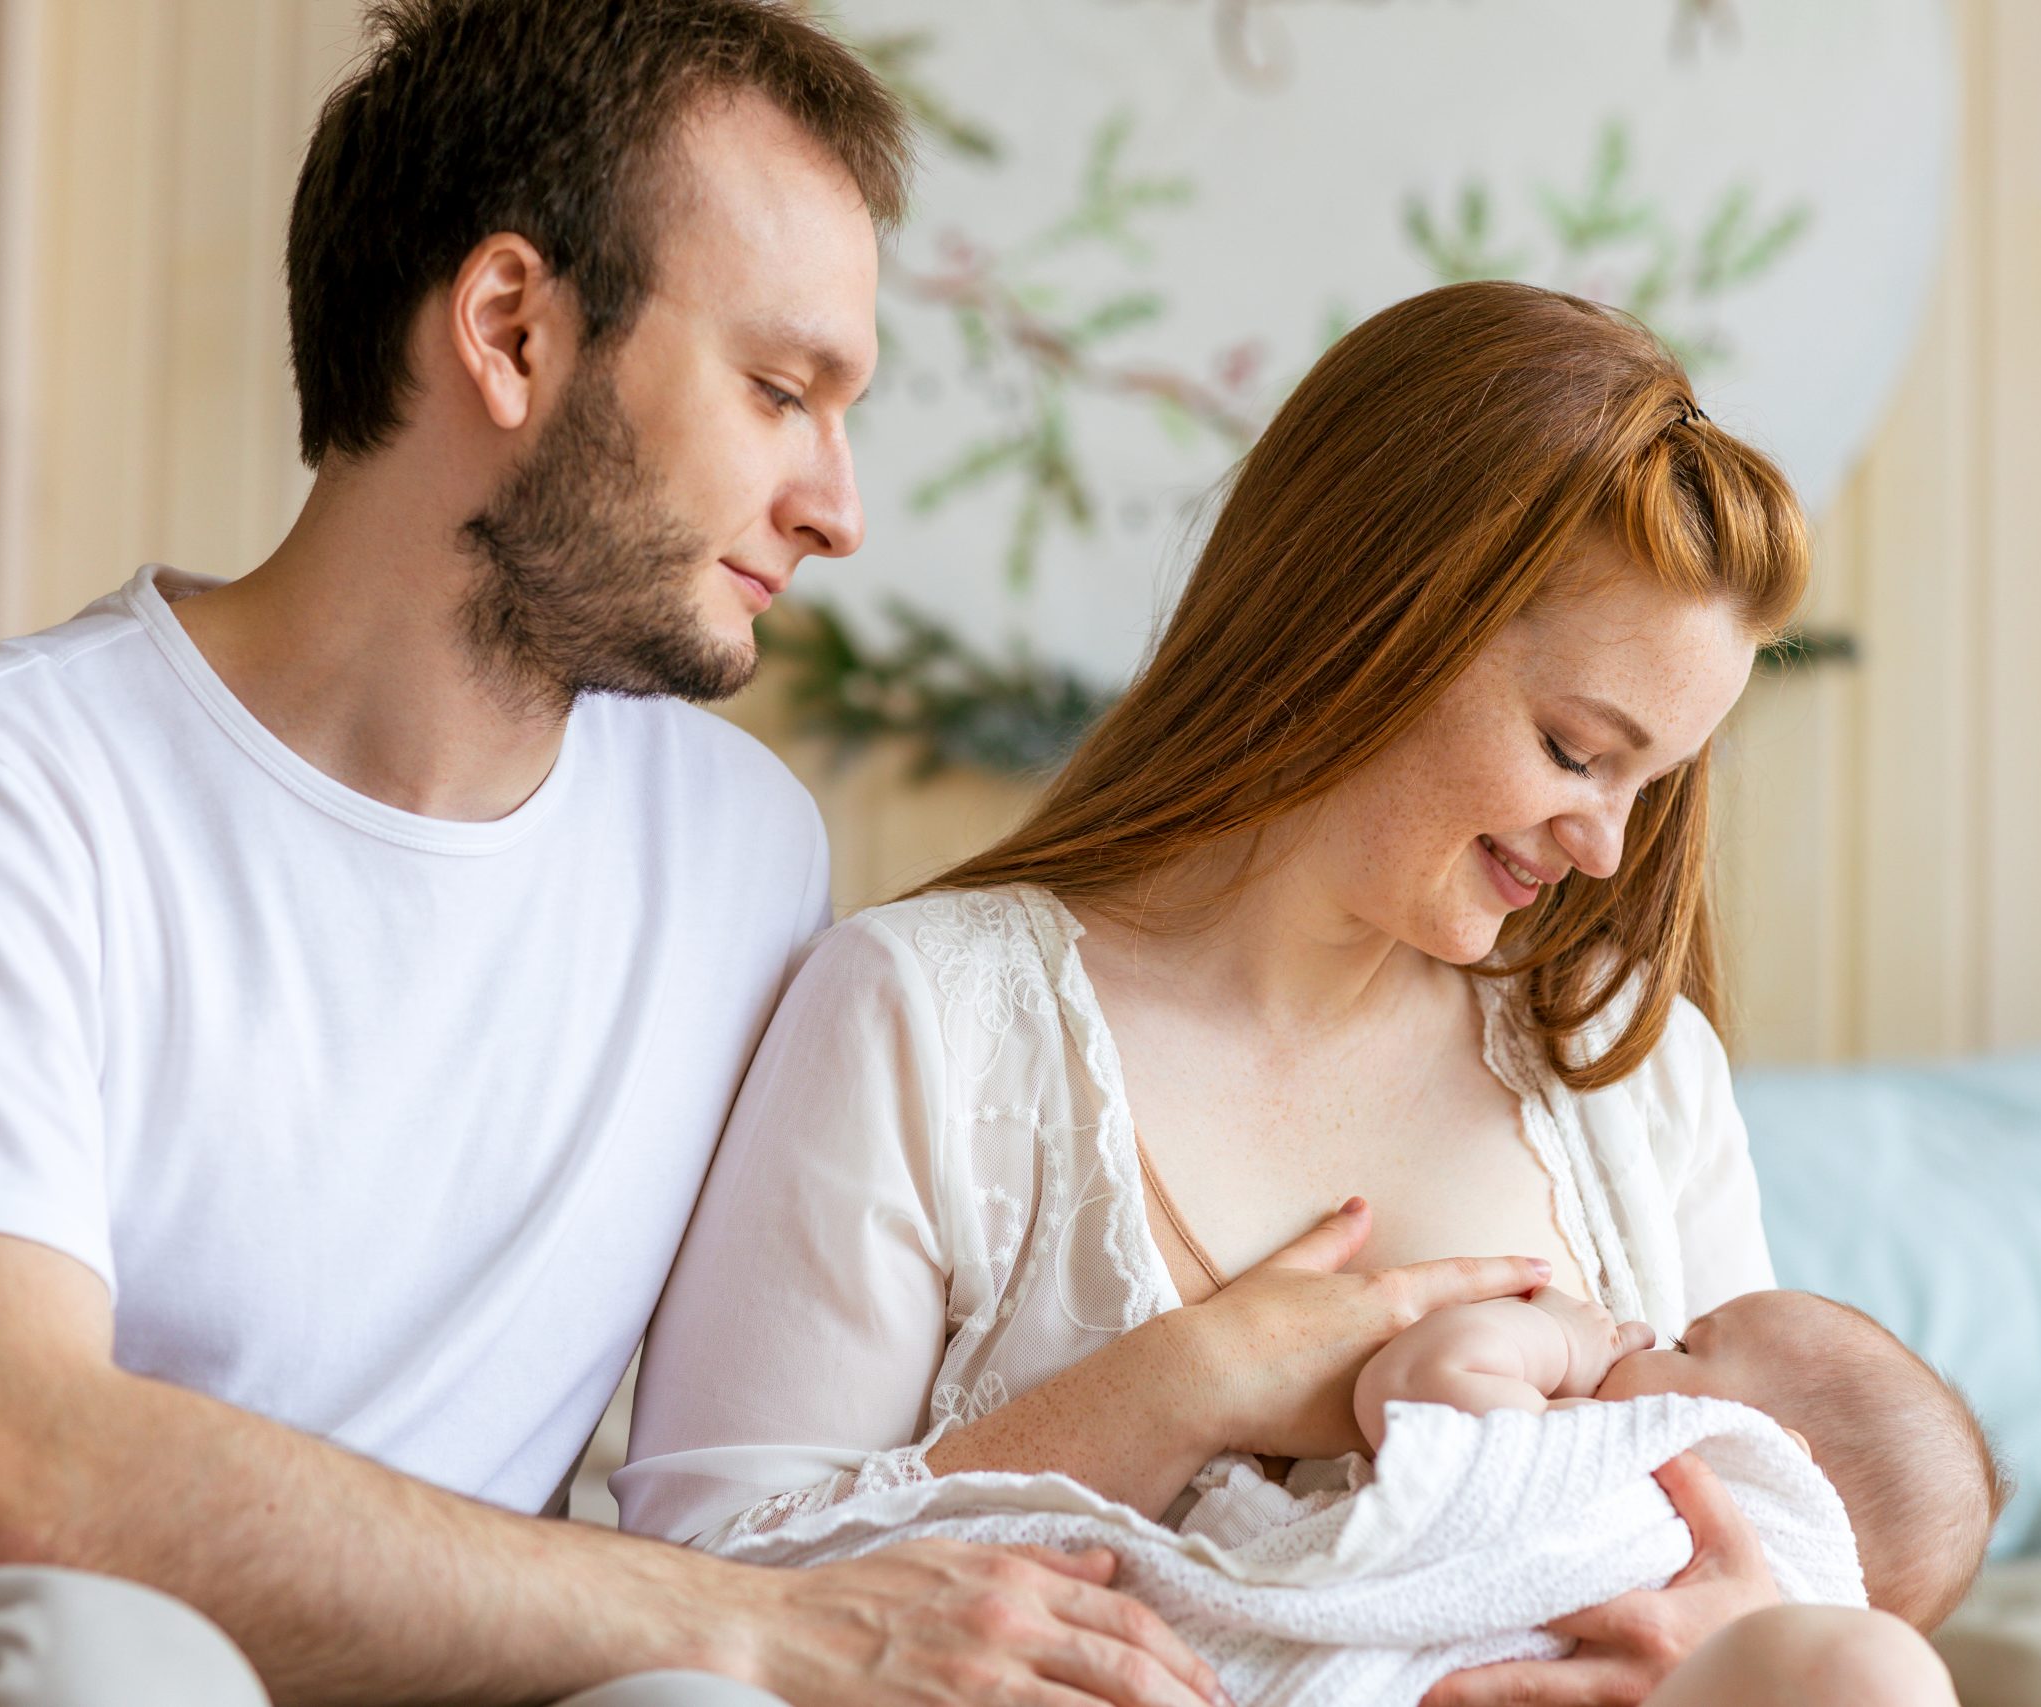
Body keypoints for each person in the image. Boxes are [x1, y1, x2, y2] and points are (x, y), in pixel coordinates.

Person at [0, 4, 1228, 1705]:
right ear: (512, 328)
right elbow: (1, 1476)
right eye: (777, 391)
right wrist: (745, 1619)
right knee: (110, 1661)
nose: (836, 507)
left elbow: (774, 1500)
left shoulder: (740, 851)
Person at [619, 280, 1962, 1704]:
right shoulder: (928, 1017)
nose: (1606, 848)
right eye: (1575, 751)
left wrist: (1733, 1631)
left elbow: (1781, 1511)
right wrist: (1185, 1384)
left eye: (1653, 781)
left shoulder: (1625, 1062)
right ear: (1368, 619)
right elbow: (700, 1609)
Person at [1360, 1287, 2011, 1631]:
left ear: (1761, 1453)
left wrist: (1558, 1341)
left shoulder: (1626, 1488)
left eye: (1683, 1346)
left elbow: (1412, 1386)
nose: (1644, 1335)